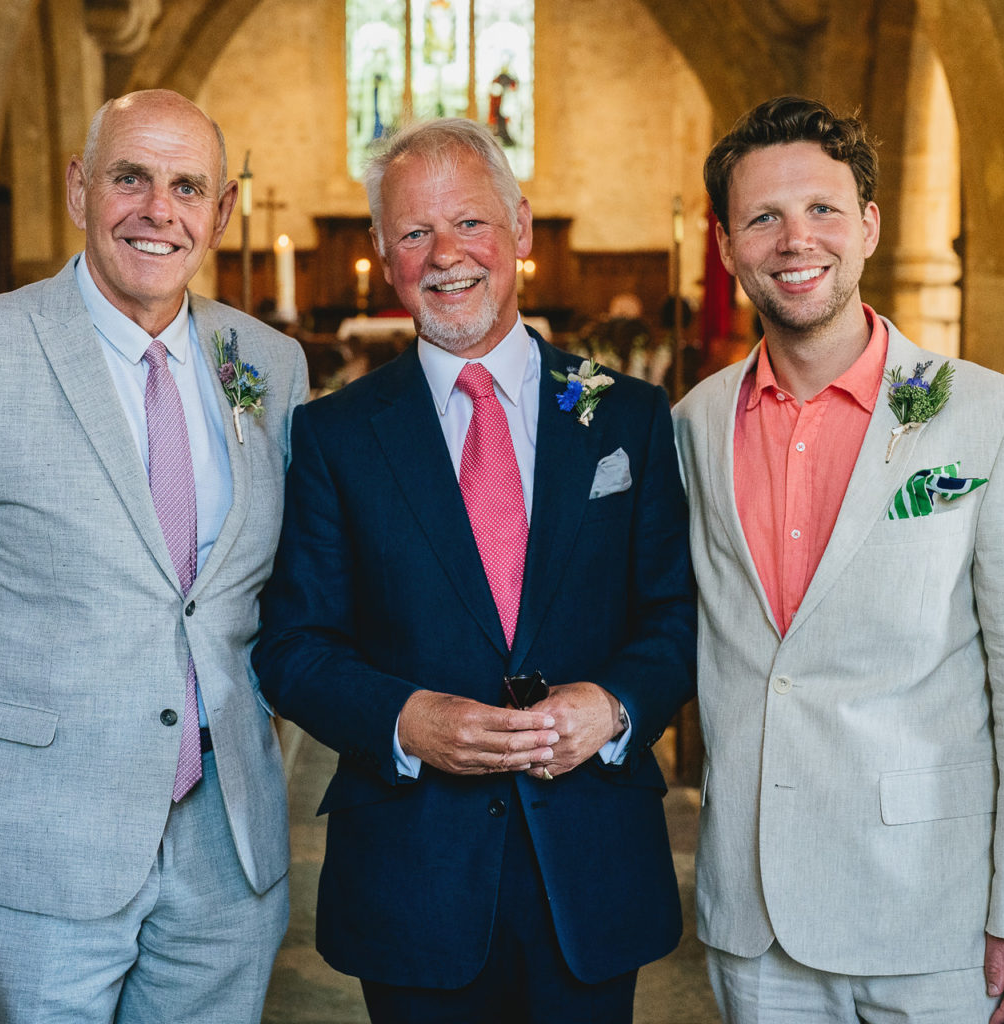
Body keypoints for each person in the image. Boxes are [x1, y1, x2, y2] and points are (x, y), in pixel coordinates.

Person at [0, 89, 307, 1024]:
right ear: (78, 188)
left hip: (227, 848)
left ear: (219, 213)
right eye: (130, 177)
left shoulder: (267, 363)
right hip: (33, 840)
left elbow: (267, 592)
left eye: (187, 186)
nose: (156, 210)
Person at [252, 117, 696, 1023]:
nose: (445, 255)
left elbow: (677, 616)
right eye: (415, 232)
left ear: (522, 230)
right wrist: (403, 719)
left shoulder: (625, 416)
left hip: (591, 859)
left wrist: (613, 705)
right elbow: (293, 645)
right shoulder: (336, 435)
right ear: (382, 253)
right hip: (415, 872)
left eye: (471, 224)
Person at [672, 96, 1004, 1024]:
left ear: (868, 225)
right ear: (728, 242)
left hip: (935, 914)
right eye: (762, 217)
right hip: (757, 912)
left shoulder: (994, 419)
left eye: (821, 209)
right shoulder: (692, 425)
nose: (794, 240)